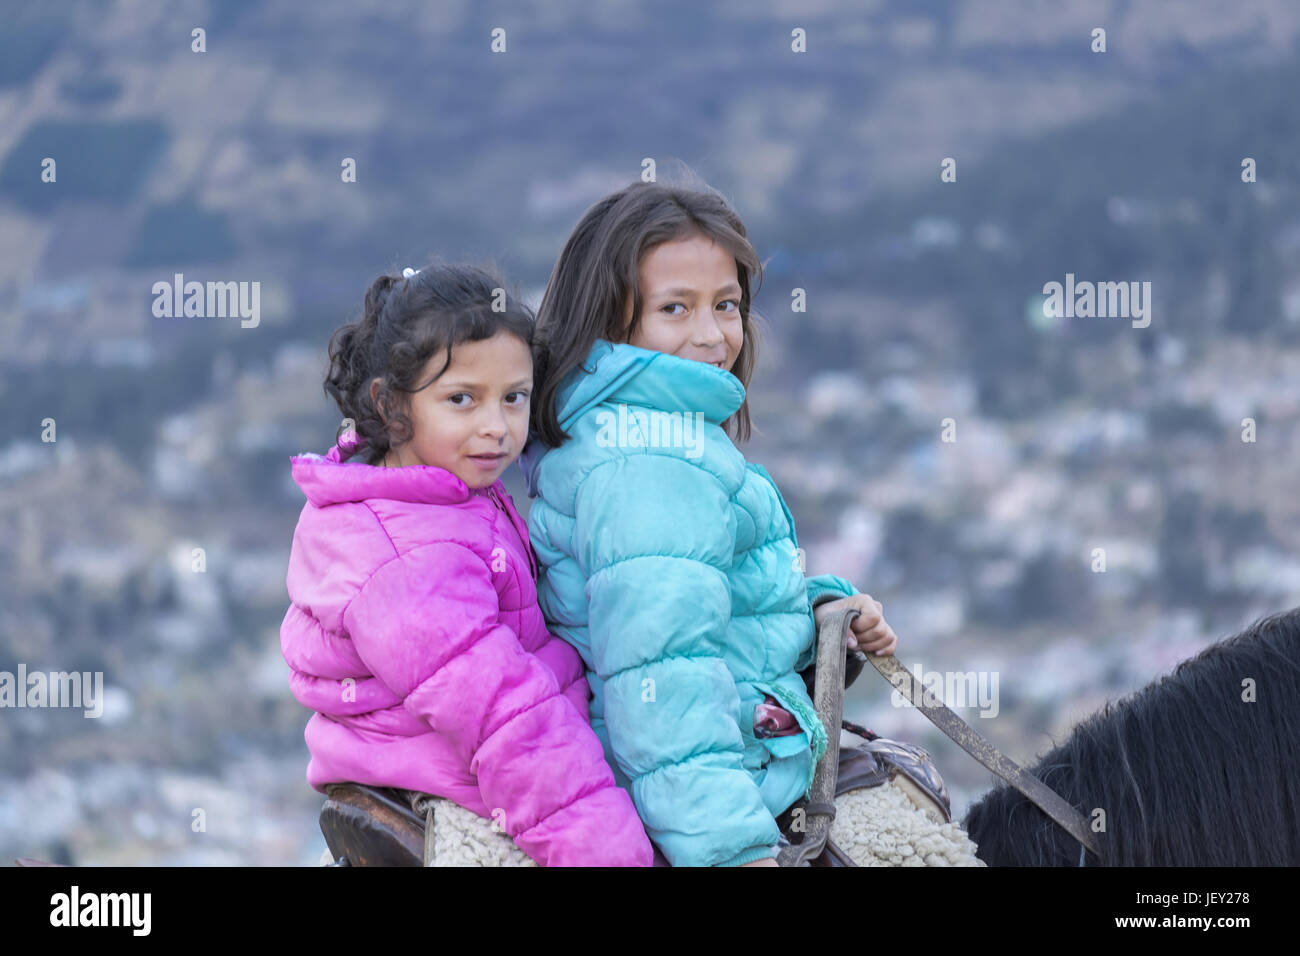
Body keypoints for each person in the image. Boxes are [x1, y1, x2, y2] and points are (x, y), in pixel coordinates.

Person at [518, 180, 900, 867]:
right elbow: (662, 684)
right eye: (674, 308)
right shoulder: (651, 462)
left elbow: (700, 616)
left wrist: (816, 617)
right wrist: (735, 855)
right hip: (711, 795)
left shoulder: (630, 431)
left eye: (726, 305)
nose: (711, 334)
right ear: (609, 320)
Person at [280, 260, 653, 866]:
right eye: (462, 399)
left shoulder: (438, 494)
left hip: (487, 747)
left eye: (514, 398)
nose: (496, 427)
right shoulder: (410, 560)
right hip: (454, 773)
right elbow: (507, 723)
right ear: (392, 405)